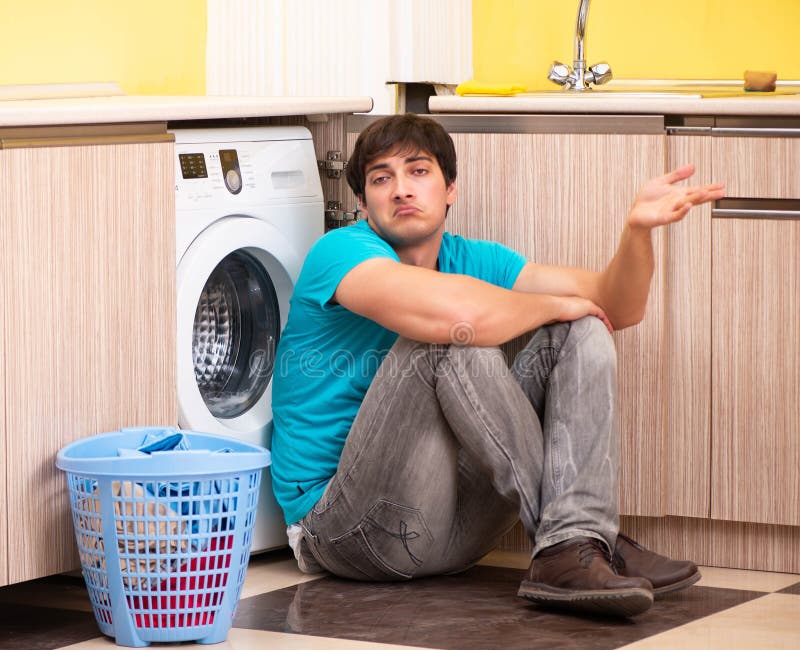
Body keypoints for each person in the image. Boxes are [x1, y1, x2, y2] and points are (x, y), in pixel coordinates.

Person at [270, 113, 724, 617]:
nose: (401, 189)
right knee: (443, 340)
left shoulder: (474, 259)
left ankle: (573, 542)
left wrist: (637, 233)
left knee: (583, 327)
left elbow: (617, 308)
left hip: (453, 533)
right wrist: (553, 303)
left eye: (418, 171)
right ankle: (591, 540)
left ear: (450, 190)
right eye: (381, 179)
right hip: (342, 531)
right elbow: (459, 318)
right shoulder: (341, 251)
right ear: (362, 203)